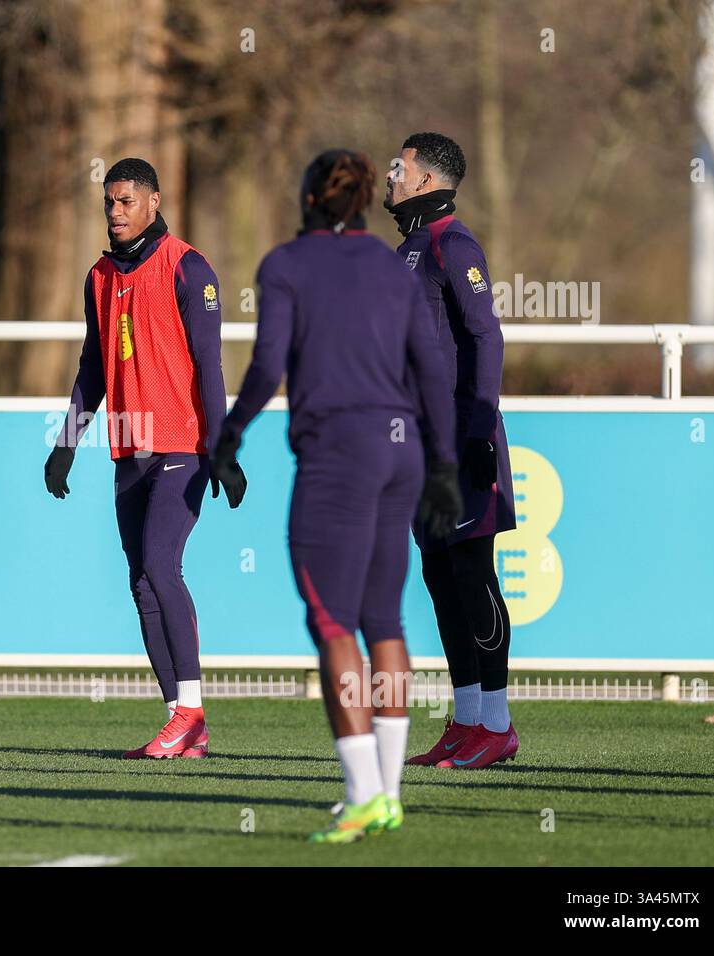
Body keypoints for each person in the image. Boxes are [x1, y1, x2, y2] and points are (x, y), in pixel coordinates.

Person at [215, 149, 460, 843]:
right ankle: (387, 792)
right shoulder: (392, 266)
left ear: (309, 198)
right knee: (386, 623)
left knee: (332, 625)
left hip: (339, 453)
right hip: (402, 449)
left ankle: (362, 794)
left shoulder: (287, 266)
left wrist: (229, 434)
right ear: (358, 204)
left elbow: (268, 366)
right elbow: (431, 372)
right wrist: (441, 463)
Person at [45, 157, 246, 759]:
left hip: (182, 446)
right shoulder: (99, 277)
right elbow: (91, 369)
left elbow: (210, 366)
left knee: (162, 564)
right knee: (140, 581)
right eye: (109, 202)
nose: (115, 212)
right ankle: (180, 722)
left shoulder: (189, 267)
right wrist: (66, 444)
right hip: (127, 449)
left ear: (155, 202)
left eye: (127, 200)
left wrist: (223, 448)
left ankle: (191, 710)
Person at [384, 132, 518, 769]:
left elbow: (486, 338)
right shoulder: (409, 249)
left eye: (399, 168)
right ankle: (465, 721)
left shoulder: (452, 243)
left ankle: (498, 723)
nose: (390, 175)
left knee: (472, 572)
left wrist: (477, 434)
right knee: (440, 577)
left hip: (461, 442)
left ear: (426, 181)